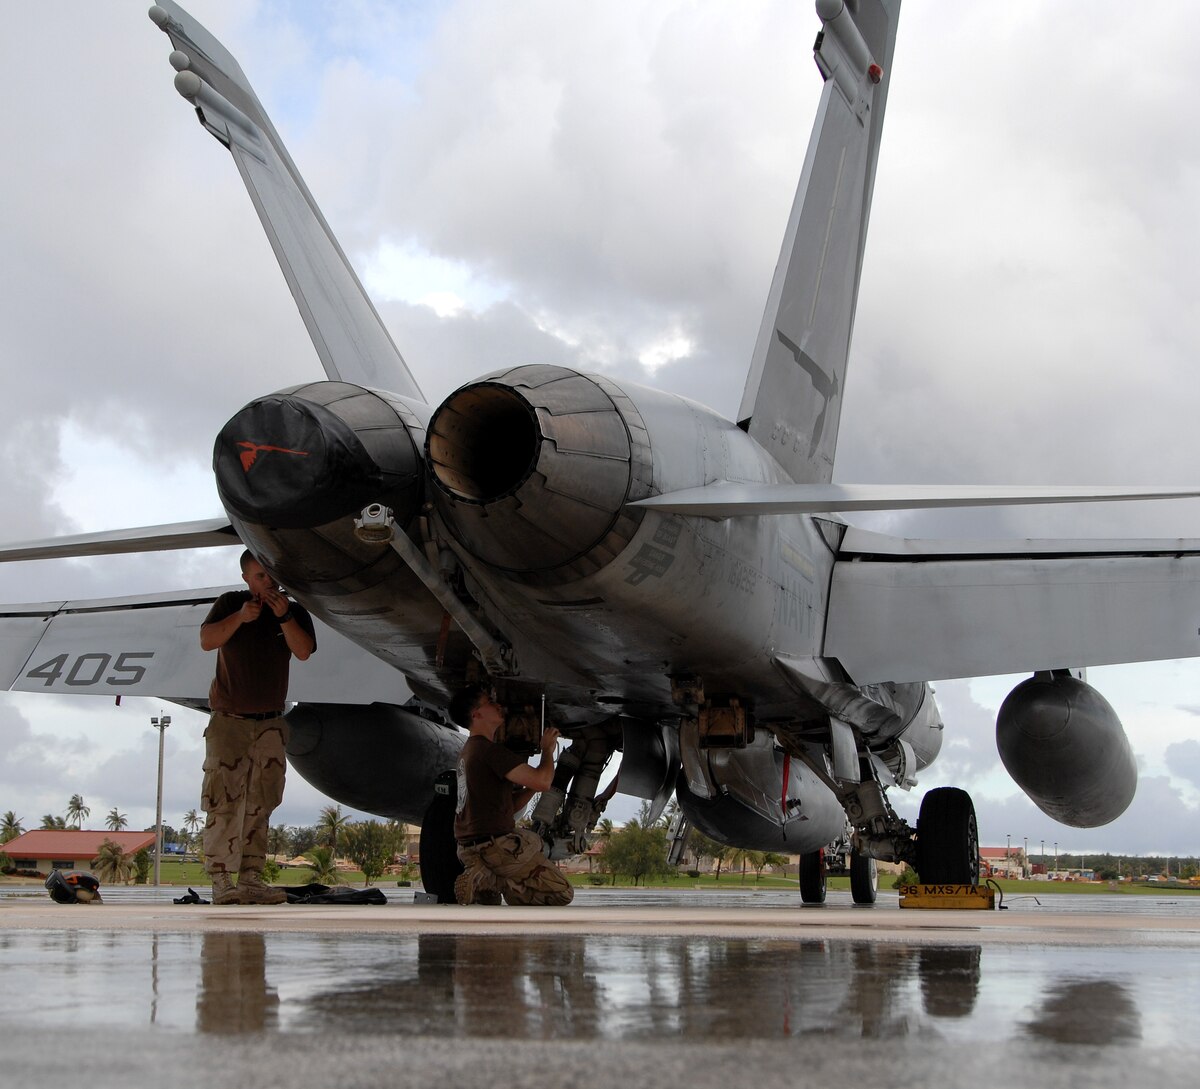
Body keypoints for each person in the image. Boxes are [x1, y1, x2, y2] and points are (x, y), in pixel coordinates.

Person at [199, 550, 316, 905]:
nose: (269, 583)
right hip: (230, 723)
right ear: (247, 579)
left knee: (261, 801)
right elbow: (207, 640)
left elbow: (304, 651)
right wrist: (240, 617)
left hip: (269, 724)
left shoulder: (293, 610)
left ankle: (250, 877)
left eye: (271, 576)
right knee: (224, 800)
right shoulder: (229, 603)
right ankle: (221, 879)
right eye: (261, 577)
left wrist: (283, 617)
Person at [450, 686, 574, 906]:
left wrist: (531, 787)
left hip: (468, 849)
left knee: (531, 841)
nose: (498, 705)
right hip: (495, 847)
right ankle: (490, 879)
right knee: (562, 893)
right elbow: (544, 781)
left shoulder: (468, 752)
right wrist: (547, 750)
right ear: (476, 714)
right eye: (489, 701)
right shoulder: (490, 751)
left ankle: (486, 878)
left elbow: (511, 805)